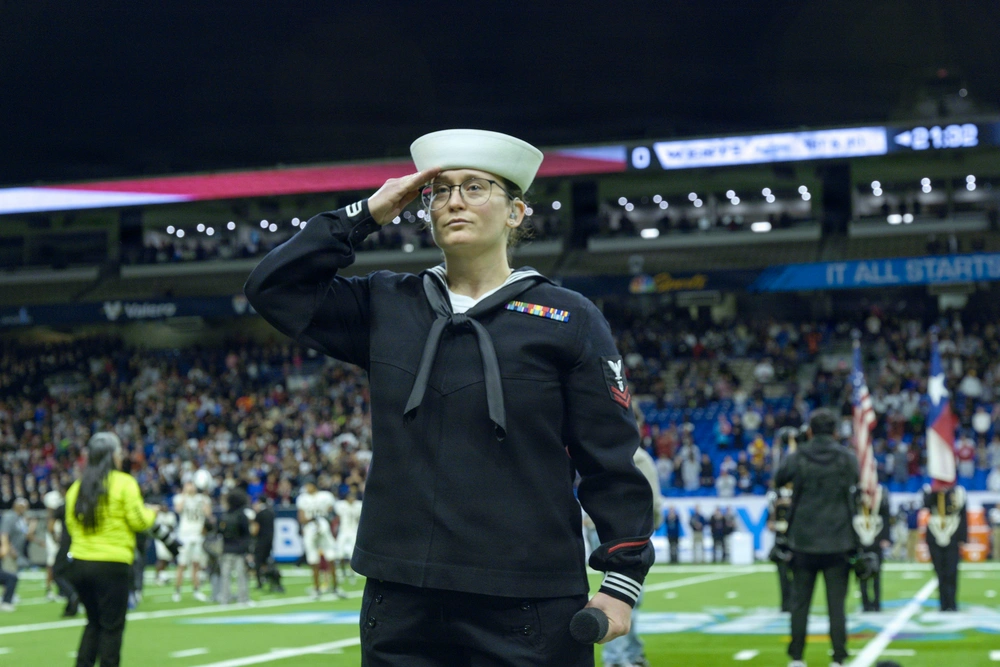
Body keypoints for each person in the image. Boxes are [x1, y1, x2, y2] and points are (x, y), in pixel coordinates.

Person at [245, 128, 654, 665]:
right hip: (400, 601)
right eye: (440, 191)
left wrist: (621, 581)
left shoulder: (569, 318)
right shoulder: (387, 303)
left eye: (475, 187)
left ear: (515, 213)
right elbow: (271, 288)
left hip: (528, 603)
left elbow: (611, 459)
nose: (455, 200)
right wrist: (366, 213)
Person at [64, 432, 159, 667]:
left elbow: (71, 525)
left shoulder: (77, 487)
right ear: (113, 456)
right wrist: (152, 513)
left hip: (80, 562)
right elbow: (139, 521)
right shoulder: (124, 483)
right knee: (112, 627)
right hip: (112, 563)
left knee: (93, 623)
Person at [774, 408, 858, 667]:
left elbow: (779, 479)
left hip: (803, 541)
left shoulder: (799, 456)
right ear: (835, 432)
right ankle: (839, 657)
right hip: (838, 540)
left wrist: (797, 447)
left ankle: (797, 657)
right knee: (837, 605)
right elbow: (857, 479)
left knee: (800, 604)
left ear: (810, 431)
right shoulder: (846, 457)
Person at [602, 447, 661, 667]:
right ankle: (617, 658)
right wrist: (653, 524)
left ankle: (633, 652)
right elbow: (652, 499)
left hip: (601, 525)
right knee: (625, 594)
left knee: (622, 592)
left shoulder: (599, 446)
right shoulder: (638, 456)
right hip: (628, 531)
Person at [922, 482, 967, 611]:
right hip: (935, 534)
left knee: (952, 572)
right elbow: (926, 505)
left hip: (953, 535)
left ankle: (952, 603)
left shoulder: (958, 491)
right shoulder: (929, 490)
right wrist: (936, 490)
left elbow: (962, 515)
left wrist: (963, 538)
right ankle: (942, 604)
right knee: (939, 572)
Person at [296, 476, 342, 599]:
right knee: (313, 560)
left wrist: (323, 520)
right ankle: (317, 589)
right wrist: (312, 519)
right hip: (310, 527)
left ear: (313, 485)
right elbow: (301, 518)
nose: (307, 488)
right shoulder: (303, 498)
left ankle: (335, 587)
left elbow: (333, 513)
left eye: (308, 485)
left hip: (322, 525)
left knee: (331, 557)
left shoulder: (325, 496)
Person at [853, 483, 891, 611]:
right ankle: (865, 604)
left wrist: (885, 537)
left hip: (876, 536)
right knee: (862, 573)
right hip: (859, 537)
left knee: (876, 574)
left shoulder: (880, 492)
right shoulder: (855, 493)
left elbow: (885, 516)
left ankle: (876, 604)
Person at [173, 481, 211, 602]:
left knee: (196, 564)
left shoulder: (202, 498)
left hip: (198, 535)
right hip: (184, 535)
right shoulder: (179, 497)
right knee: (182, 564)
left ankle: (196, 590)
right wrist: (185, 494)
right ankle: (177, 591)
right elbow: (178, 509)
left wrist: (204, 499)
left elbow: (208, 513)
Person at [217, 489, 256, 606]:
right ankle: (243, 598)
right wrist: (248, 550)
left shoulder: (224, 516)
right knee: (241, 575)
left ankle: (225, 598)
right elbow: (246, 534)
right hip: (239, 550)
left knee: (225, 576)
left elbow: (219, 531)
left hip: (226, 549)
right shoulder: (242, 515)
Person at [766, 484, 794, 612]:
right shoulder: (775, 495)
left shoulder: (798, 492)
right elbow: (770, 524)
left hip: (795, 543)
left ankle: (795, 603)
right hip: (781, 543)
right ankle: (785, 605)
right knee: (783, 577)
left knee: (797, 577)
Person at [252, 497, 283, 593]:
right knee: (268, 562)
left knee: (258, 562)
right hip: (269, 541)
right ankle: (273, 581)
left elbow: (255, 530)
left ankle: (259, 583)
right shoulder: (271, 513)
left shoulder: (259, 514)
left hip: (260, 541)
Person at [333, 487, 362, 585]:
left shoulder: (358, 505)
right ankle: (342, 572)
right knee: (339, 554)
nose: (352, 499)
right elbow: (337, 518)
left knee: (352, 555)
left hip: (354, 532)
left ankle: (351, 574)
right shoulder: (341, 505)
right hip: (343, 531)